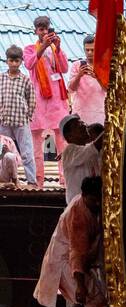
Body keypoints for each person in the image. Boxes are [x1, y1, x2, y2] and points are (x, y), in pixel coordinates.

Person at [34, 175, 102, 307]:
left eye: (99, 199)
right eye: (93, 200)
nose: (97, 204)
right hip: (65, 261)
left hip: (79, 260)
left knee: (97, 302)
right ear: (84, 195)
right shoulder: (77, 214)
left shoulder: (88, 206)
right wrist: (80, 285)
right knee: (91, 305)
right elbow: (77, 252)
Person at [23, 17, 68, 185]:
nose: (43, 32)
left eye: (46, 29)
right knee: (37, 143)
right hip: (38, 101)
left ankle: (63, 178)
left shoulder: (55, 48)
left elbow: (64, 69)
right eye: (40, 29)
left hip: (57, 100)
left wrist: (58, 48)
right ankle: (39, 179)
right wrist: (43, 47)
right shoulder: (29, 49)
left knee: (61, 141)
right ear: (35, 30)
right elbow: (28, 64)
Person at [1, 45, 38, 185]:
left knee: (26, 152)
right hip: (4, 121)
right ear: (7, 61)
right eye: (11, 61)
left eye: (17, 61)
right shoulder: (1, 78)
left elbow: (32, 99)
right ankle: (6, 178)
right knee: (3, 152)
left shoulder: (25, 80)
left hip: (21, 121)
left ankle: (31, 181)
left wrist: (27, 115)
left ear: (21, 61)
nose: (14, 64)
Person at [68, 35, 104, 126]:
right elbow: (71, 89)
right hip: (80, 112)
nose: (89, 52)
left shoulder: (103, 66)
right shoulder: (76, 65)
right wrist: (79, 76)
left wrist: (98, 77)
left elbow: (108, 89)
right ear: (83, 49)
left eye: (92, 50)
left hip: (99, 111)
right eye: (87, 50)